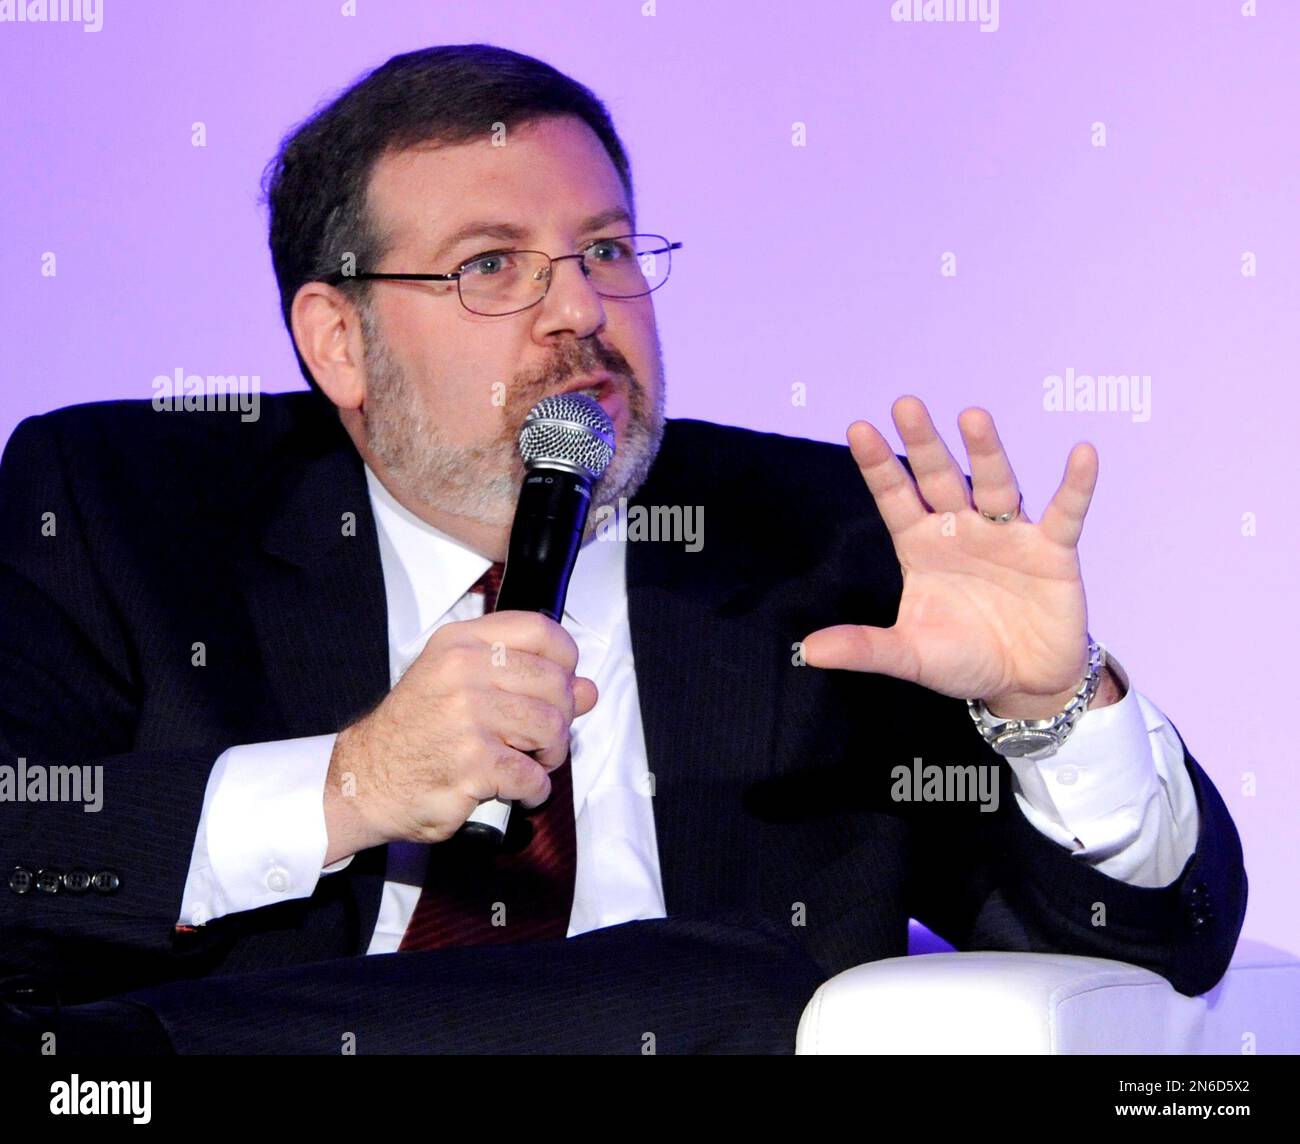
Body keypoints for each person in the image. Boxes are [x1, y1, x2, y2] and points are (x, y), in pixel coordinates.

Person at [0, 43, 1245, 1055]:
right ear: (337, 341)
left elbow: (1152, 950)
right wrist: (352, 784)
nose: (582, 311)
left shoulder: (816, 538)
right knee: (726, 995)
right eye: (494, 266)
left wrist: (1053, 709)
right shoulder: (122, 504)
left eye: (606, 250)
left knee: (725, 992)